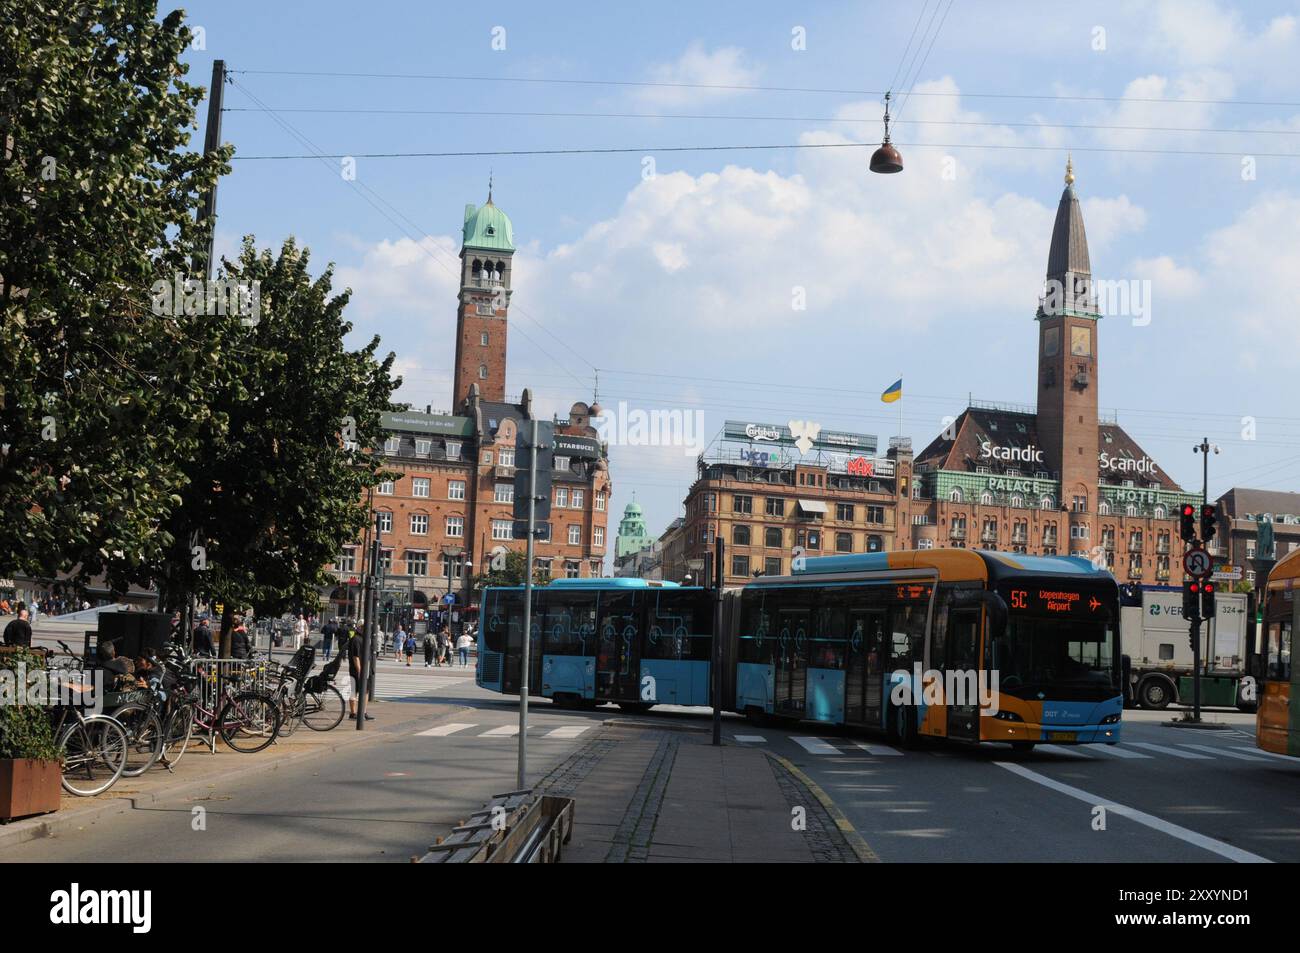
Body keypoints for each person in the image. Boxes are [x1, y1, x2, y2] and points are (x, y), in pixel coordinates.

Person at [344, 619, 374, 721]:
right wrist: (360, 671)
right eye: (366, 628)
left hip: (364, 670)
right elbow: (355, 657)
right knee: (354, 692)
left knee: (365, 691)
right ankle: (353, 713)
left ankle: (363, 712)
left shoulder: (364, 639)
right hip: (357, 670)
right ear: (360, 627)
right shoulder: (355, 639)